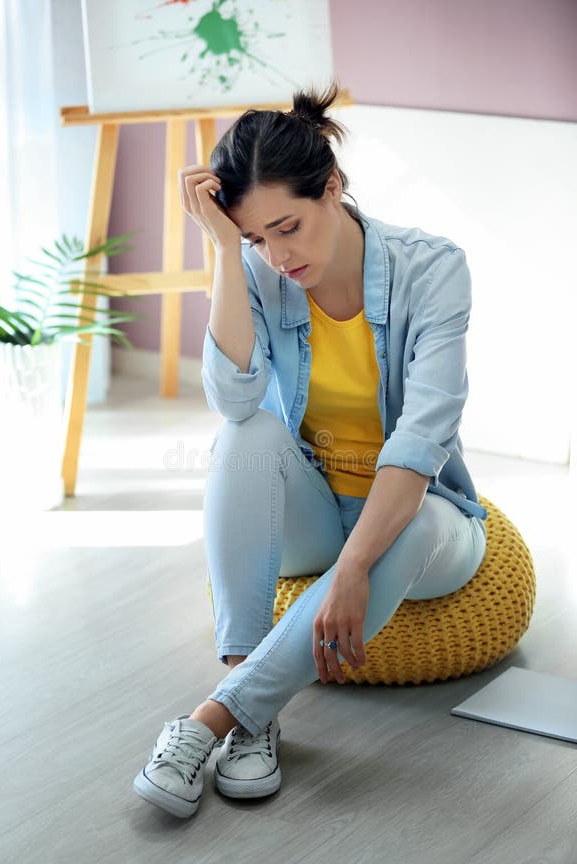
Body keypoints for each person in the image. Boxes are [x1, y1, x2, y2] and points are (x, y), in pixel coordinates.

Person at [133, 82, 487, 819]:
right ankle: (255, 713)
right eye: (256, 238)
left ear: (332, 186)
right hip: (315, 513)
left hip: (423, 525)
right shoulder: (258, 269)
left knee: (420, 516)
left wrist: (354, 566)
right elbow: (235, 401)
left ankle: (211, 721)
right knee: (249, 431)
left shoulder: (433, 269)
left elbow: (421, 440)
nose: (277, 254)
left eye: (287, 227)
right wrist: (225, 253)